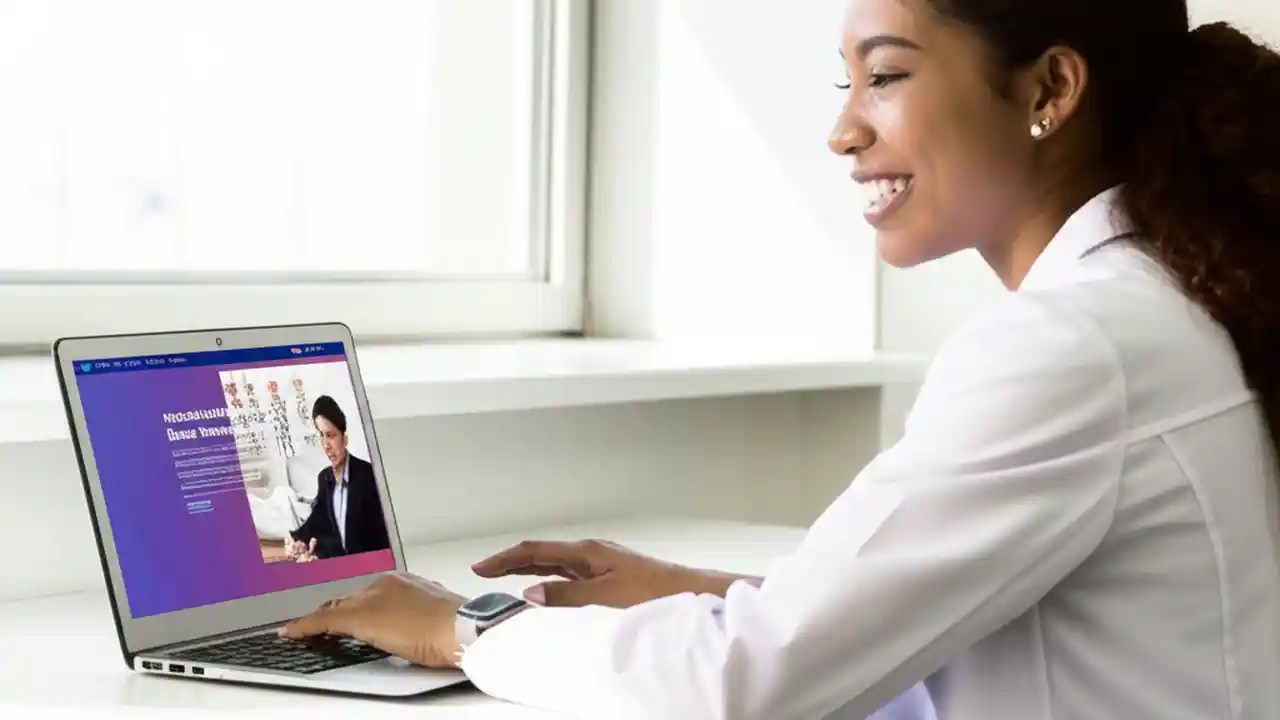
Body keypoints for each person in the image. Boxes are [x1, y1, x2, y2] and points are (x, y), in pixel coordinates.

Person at [279, 0, 1280, 716]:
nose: (842, 130)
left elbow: (744, 688)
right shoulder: (1165, 298)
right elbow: (950, 603)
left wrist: (460, 630)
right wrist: (700, 592)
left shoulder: (1073, 347)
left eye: (884, 76)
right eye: (844, 82)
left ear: (1049, 89)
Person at [284, 396, 390, 562]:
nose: (326, 445)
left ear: (344, 438)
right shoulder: (324, 478)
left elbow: (382, 535)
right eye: (321, 436)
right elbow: (317, 518)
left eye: (330, 435)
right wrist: (298, 540)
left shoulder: (369, 475)